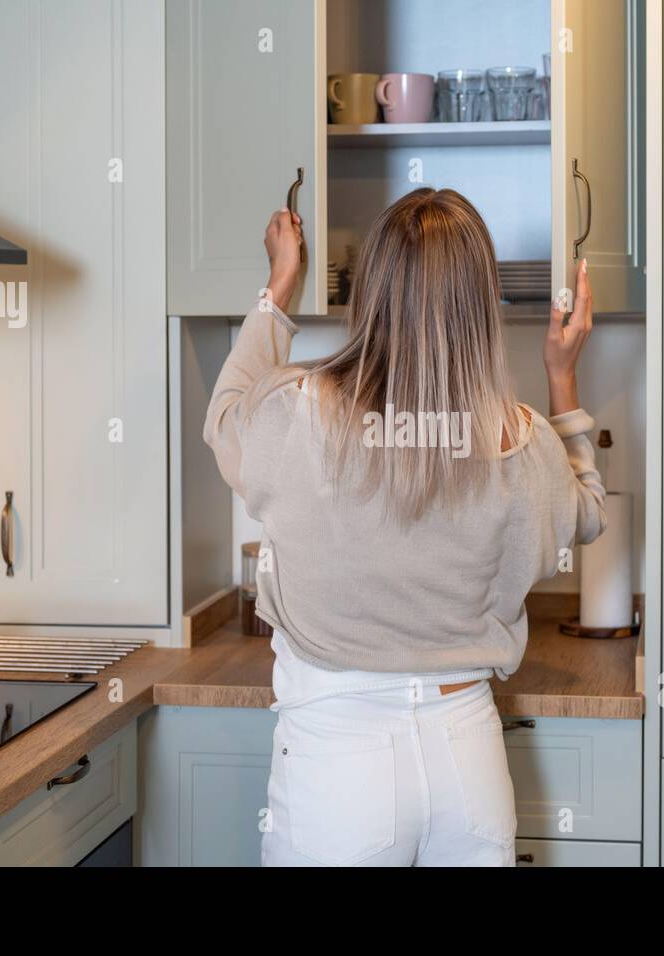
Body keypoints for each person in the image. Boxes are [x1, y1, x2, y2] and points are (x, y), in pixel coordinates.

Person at [204, 188, 606, 866]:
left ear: (372, 290)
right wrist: (562, 379)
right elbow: (588, 514)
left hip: (337, 764)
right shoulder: (523, 440)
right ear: (483, 304)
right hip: (468, 762)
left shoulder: (295, 416)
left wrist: (280, 286)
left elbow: (223, 417)